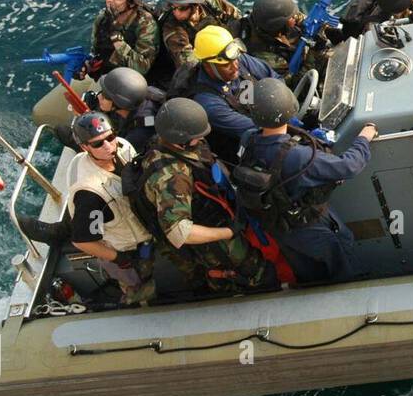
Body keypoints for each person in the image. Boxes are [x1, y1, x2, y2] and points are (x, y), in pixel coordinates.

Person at [237, 79, 376, 283]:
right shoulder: (300, 157)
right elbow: (349, 166)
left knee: (306, 270)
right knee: (341, 254)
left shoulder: (248, 138)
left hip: (278, 225)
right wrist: (364, 138)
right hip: (310, 225)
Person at [130, 97, 269, 293]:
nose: (199, 139)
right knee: (255, 271)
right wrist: (228, 232)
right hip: (212, 236)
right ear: (179, 139)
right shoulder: (172, 177)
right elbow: (179, 232)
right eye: (195, 137)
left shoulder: (170, 143)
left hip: (215, 209)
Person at [65, 111, 157, 307]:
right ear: (84, 147)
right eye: (98, 143)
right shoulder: (90, 194)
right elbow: (84, 241)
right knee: (138, 288)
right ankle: (137, 304)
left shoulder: (122, 146)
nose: (108, 146)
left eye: (110, 137)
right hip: (126, 249)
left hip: (146, 227)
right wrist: (119, 258)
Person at [182, 25, 281, 162]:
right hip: (246, 147)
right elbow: (257, 129)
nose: (235, 66)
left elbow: (275, 79)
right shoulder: (207, 101)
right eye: (225, 64)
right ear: (207, 65)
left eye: (235, 59)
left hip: (268, 115)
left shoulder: (238, 60)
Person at [241, 0, 335, 84]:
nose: (295, 17)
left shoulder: (271, 22)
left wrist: (325, 29)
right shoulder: (266, 57)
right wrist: (315, 53)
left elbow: (300, 18)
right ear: (278, 26)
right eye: (291, 17)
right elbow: (295, 84)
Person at [159, 0, 243, 70]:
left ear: (196, 5)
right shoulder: (172, 27)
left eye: (182, 8)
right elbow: (189, 64)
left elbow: (238, 18)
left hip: (224, 46)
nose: (176, 13)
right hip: (204, 62)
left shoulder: (210, 3)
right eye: (172, 7)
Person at [88, 0, 159, 77]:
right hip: (108, 73)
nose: (108, 0)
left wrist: (118, 42)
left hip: (133, 81)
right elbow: (95, 50)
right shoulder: (102, 19)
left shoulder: (145, 24)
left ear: (131, 2)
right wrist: (89, 65)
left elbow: (143, 67)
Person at [84, 67, 163, 154]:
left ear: (118, 104)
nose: (99, 97)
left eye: (104, 96)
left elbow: (115, 154)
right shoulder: (130, 104)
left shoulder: (139, 133)